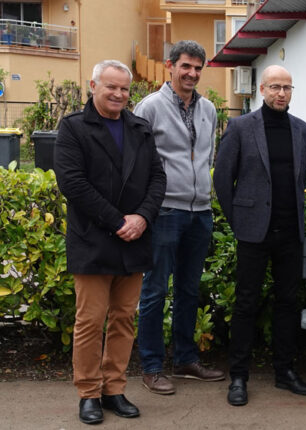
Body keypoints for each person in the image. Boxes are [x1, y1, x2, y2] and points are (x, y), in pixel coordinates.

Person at [54, 60, 166, 424]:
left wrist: (143, 217)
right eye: (111, 87)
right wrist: (118, 221)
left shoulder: (140, 128)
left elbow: (157, 179)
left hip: (134, 239)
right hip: (93, 240)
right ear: (93, 85)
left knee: (123, 320)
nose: (118, 94)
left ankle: (114, 389)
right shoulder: (73, 128)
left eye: (124, 89)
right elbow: (72, 183)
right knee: (90, 320)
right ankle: (88, 393)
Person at [213, 64, 306, 406]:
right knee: (246, 303)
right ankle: (239, 377)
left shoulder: (304, 131)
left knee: (288, 302)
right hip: (253, 233)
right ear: (261, 89)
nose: (281, 93)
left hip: (290, 232)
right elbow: (222, 179)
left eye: (286, 87)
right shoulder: (241, 127)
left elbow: (302, 179)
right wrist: (239, 222)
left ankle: (285, 372)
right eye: (274, 87)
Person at [133, 40, 224, 396]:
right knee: (155, 290)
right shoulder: (150, 107)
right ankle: (152, 366)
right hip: (164, 211)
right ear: (171, 66)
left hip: (199, 212)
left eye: (198, 68)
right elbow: (137, 161)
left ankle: (186, 359)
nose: (192, 73)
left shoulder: (210, 109)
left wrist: (206, 196)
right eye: (186, 66)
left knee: (189, 289)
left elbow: (207, 157)